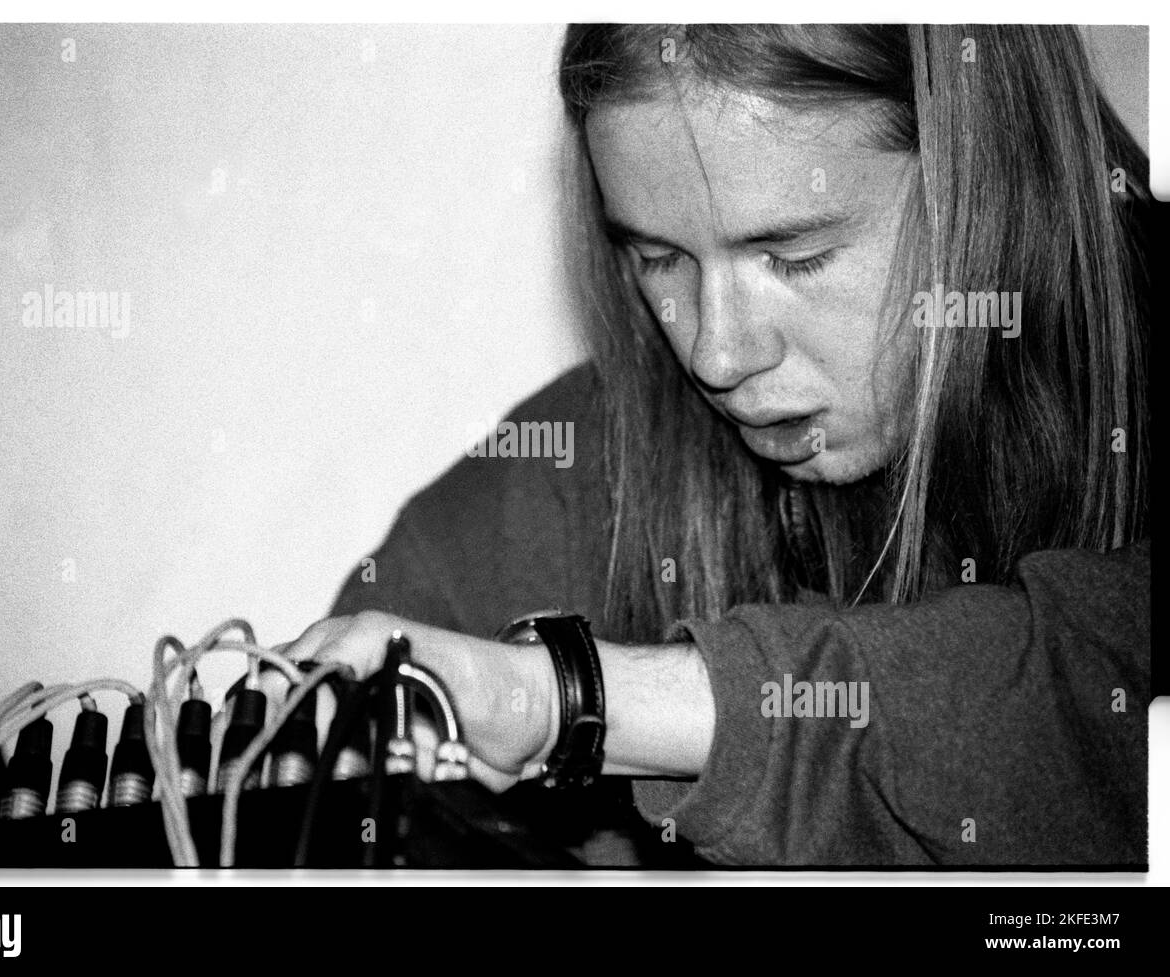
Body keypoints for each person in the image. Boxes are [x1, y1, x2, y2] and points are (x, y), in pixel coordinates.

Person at [289, 25, 1153, 866]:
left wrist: (571, 699)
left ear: (993, 179)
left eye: (796, 255)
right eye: (660, 259)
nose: (717, 353)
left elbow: (1086, 699)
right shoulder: (561, 473)